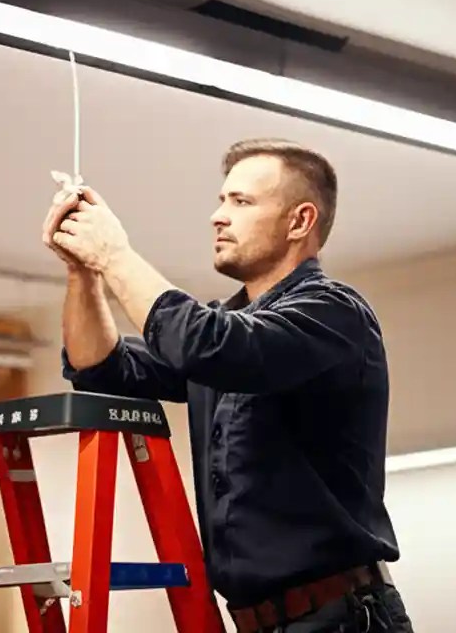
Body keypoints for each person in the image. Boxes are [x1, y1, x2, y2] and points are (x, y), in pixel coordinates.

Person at [41, 138, 415, 632]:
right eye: (222, 200)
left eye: (241, 202)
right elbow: (101, 368)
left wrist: (115, 254)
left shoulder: (334, 313)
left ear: (300, 221)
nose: (218, 216)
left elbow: (213, 347)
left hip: (339, 620)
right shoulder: (228, 328)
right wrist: (83, 273)